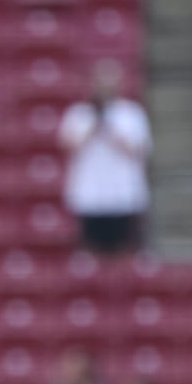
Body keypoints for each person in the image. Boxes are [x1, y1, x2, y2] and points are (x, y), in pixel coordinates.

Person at [58, 59, 152, 256]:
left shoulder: (131, 113)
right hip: (91, 189)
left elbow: (139, 149)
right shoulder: (80, 114)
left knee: (122, 246)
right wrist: (95, 125)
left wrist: (111, 129)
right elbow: (69, 145)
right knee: (91, 246)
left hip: (121, 190)